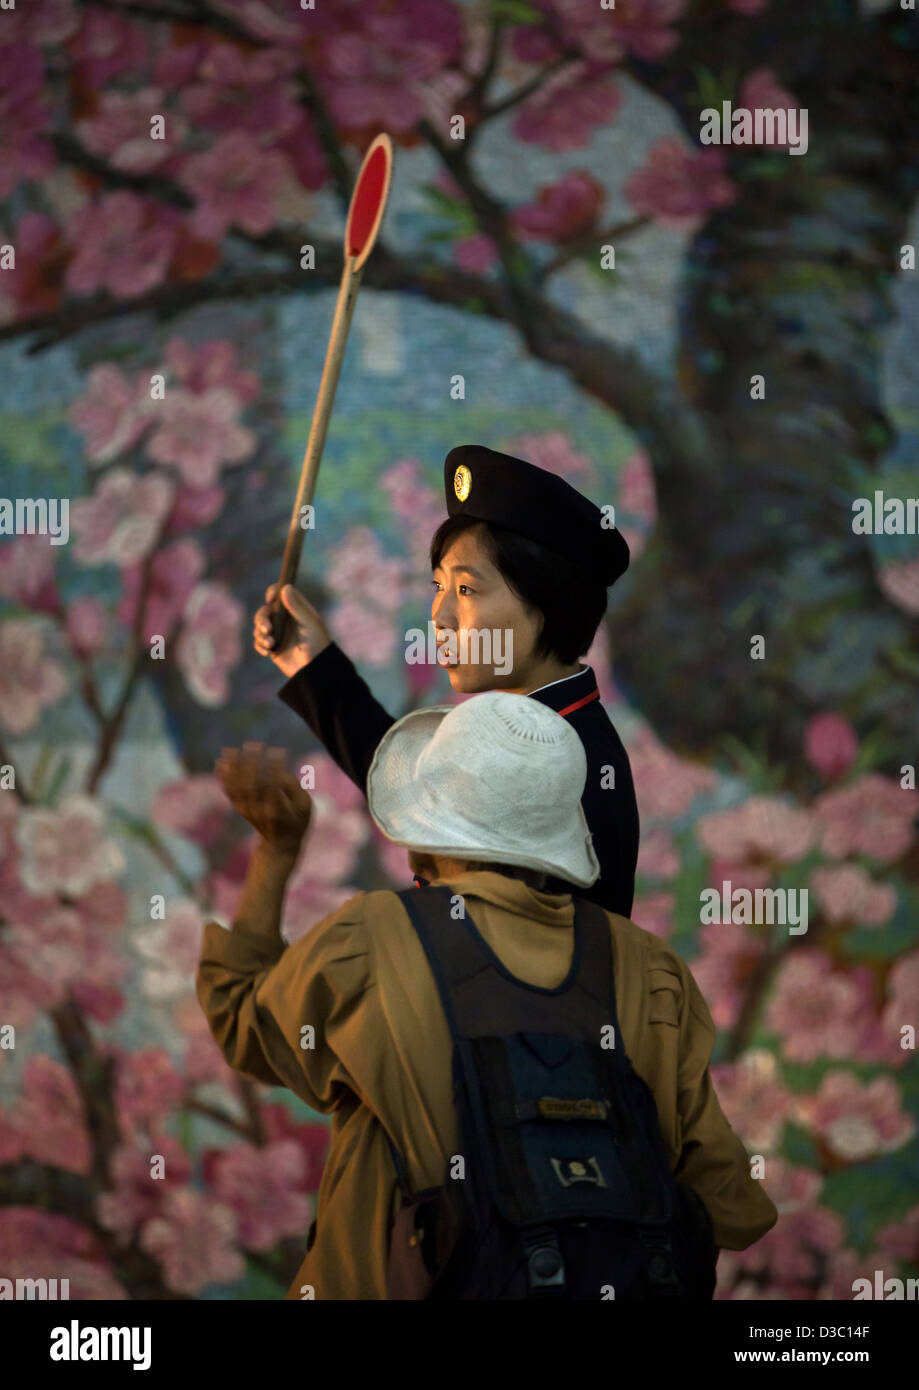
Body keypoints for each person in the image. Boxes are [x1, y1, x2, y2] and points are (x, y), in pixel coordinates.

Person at [196, 696, 778, 1301]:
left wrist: (275, 851)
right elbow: (730, 1205)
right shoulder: (650, 969)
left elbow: (241, 1021)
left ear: (427, 831)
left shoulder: (371, 940)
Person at [253, 444, 640, 917]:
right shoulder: (530, 730)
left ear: (548, 602)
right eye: (439, 587)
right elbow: (411, 778)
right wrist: (312, 663)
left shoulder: (571, 761)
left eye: (466, 589)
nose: (440, 616)